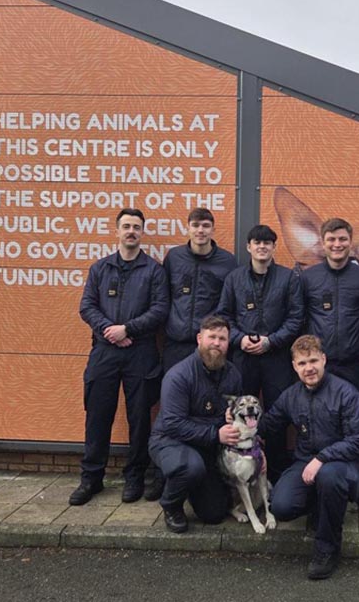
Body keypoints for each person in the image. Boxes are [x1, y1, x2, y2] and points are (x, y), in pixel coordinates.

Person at [71, 208, 169, 506]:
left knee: (139, 417)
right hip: (104, 351)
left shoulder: (154, 270)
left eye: (136, 227)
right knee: (98, 414)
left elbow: (160, 310)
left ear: (142, 232)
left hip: (140, 351)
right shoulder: (100, 268)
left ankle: (135, 476)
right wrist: (109, 331)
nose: (131, 231)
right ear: (117, 230)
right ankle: (91, 478)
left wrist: (127, 328)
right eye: (126, 226)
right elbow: (87, 306)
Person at [261, 335, 359, 580]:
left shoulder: (346, 393)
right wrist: (237, 423)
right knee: (281, 506)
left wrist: (322, 458)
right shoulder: (290, 395)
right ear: (294, 366)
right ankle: (321, 506)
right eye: (302, 363)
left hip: (342, 465)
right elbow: (269, 425)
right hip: (305, 463)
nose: (308, 368)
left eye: (313, 361)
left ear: (323, 359)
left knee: (329, 478)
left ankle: (327, 549)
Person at [300, 217, 359, 506]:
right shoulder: (308, 278)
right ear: (322, 244)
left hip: (354, 365)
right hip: (318, 368)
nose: (337, 245)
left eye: (342, 240)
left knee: (356, 425)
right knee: (320, 423)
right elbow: (300, 321)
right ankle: (318, 480)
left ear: (350, 242)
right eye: (331, 240)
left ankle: (356, 482)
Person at [215, 224, 304, 481]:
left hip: (277, 358)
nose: (262, 246)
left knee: (277, 416)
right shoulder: (234, 278)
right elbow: (224, 315)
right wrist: (239, 339)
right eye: (257, 242)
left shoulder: (289, 278)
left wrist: (271, 341)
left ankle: (275, 475)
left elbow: (296, 318)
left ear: (274, 247)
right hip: (243, 359)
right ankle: (241, 474)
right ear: (248, 246)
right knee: (241, 415)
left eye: (267, 242)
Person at [149, 315, 242, 533]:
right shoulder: (179, 376)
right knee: (190, 468)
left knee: (215, 513)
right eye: (212, 337)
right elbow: (173, 424)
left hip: (206, 446)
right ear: (199, 338)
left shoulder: (233, 375)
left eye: (222, 338)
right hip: (169, 441)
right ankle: (171, 505)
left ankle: (191, 487)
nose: (217, 343)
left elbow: (233, 416)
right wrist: (215, 434)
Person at [162, 207, 238, 370]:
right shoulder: (174, 257)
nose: (200, 230)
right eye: (195, 225)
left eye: (205, 225)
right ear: (188, 228)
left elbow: (231, 303)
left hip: (210, 345)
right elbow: (163, 296)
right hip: (176, 343)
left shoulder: (228, 261)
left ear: (213, 230)